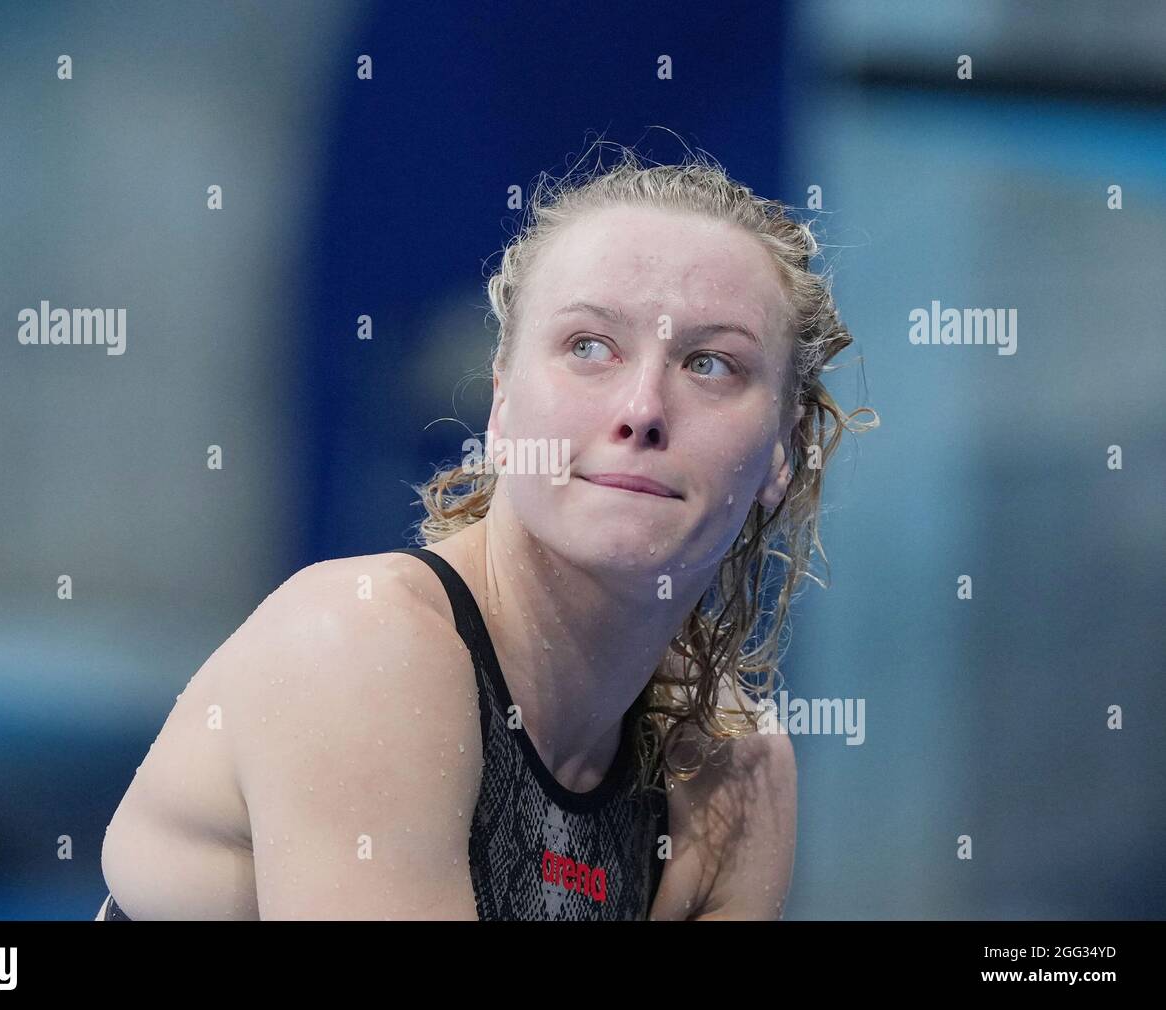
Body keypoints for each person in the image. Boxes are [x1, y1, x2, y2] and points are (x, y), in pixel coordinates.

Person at [96, 143, 876, 921]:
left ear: (784, 447)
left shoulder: (730, 775)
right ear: (502, 407)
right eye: (590, 347)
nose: (642, 408)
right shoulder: (359, 644)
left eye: (710, 364)